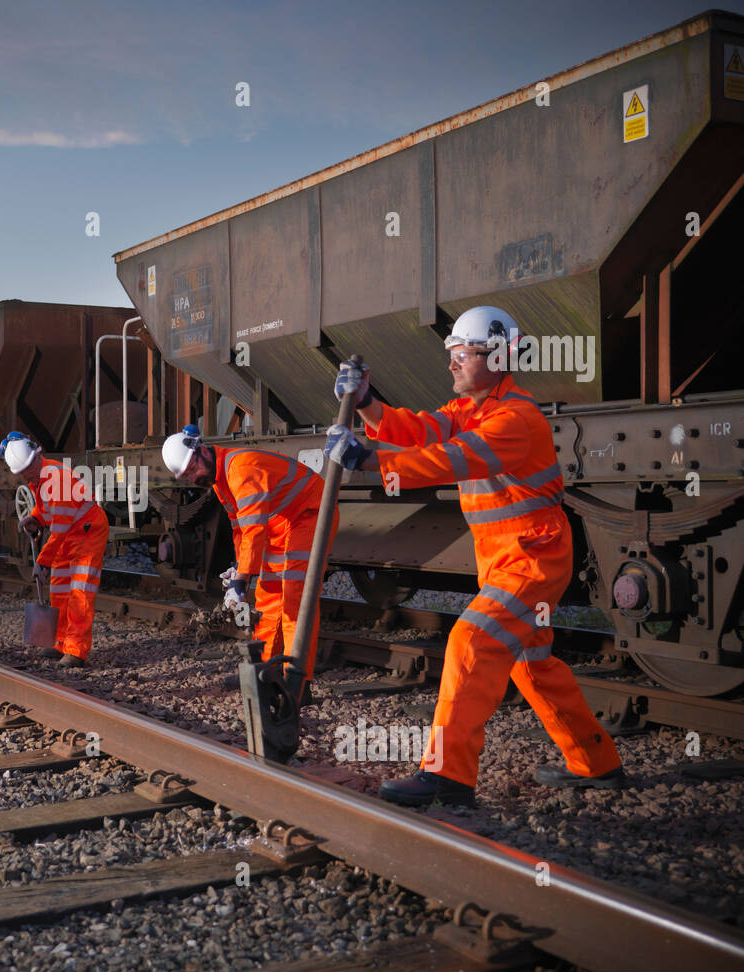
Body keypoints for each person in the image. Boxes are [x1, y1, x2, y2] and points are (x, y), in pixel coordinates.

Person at [326, 306, 625, 806]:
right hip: (507, 558)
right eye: (452, 354)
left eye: (461, 353)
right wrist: (367, 404)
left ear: (498, 355)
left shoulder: (515, 418)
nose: (452, 363)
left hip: (533, 558)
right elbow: (419, 432)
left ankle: (448, 775)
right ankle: (597, 763)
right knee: (532, 665)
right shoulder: (472, 411)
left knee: (471, 640)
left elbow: (451, 459)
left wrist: (368, 459)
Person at [161, 425, 336, 684]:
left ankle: (298, 682)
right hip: (282, 524)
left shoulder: (239, 470)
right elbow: (239, 529)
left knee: (296, 599)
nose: (194, 477)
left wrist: (240, 581)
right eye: (187, 476)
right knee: (269, 598)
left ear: (201, 449)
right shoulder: (221, 481)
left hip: (310, 516)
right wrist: (238, 565)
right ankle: (264, 672)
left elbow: (254, 530)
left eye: (193, 468)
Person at [0, 432, 109, 668]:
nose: (28, 473)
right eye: (24, 471)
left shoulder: (55, 478)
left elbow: (60, 526)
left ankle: (76, 650)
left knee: (79, 592)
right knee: (59, 590)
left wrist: (42, 560)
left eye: (30, 467)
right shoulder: (42, 477)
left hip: (87, 534)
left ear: (37, 455)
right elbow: (48, 508)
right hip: (69, 535)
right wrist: (35, 518)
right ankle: (59, 642)